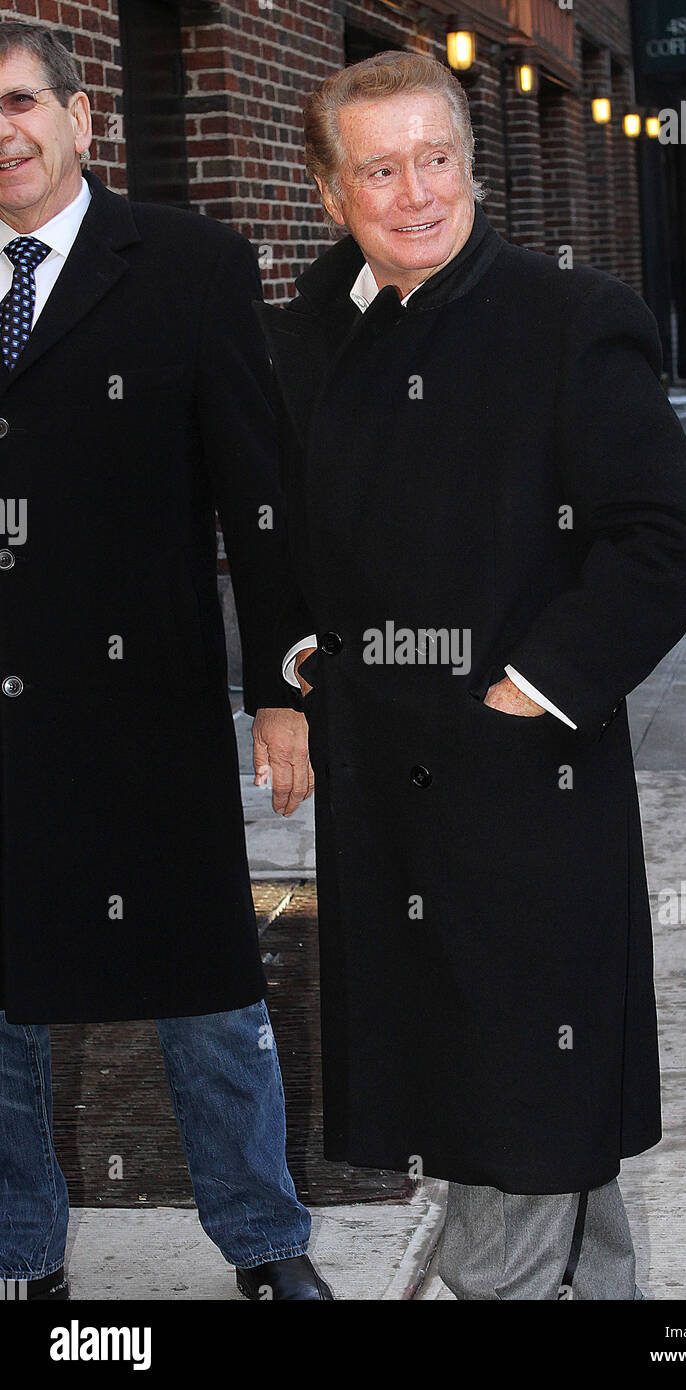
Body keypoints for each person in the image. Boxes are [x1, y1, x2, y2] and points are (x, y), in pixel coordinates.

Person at [254, 51, 686, 1300]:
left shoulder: (568, 318)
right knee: (493, 1094)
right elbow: (276, 530)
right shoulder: (303, 336)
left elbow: (667, 540)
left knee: (522, 1092)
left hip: (526, 790)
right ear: (330, 191)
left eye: (437, 159)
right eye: (380, 170)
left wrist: (529, 692)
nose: (415, 193)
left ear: (470, 164)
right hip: (383, 792)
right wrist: (298, 664)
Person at [0, 21, 330, 1301]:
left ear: (82, 116)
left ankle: (266, 1240)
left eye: (21, 101)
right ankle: (21, 1253)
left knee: (205, 986)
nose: (4, 134)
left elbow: (261, 493)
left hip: (147, 699)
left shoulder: (191, 264)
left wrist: (281, 691)